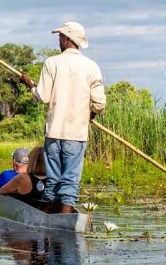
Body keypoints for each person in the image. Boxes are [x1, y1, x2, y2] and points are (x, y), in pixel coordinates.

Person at [19, 21, 105, 214]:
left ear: (67, 39)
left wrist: (29, 85)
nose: (58, 40)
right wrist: (88, 115)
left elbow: (42, 96)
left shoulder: (52, 63)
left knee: (54, 179)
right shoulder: (92, 67)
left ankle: (51, 217)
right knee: (70, 180)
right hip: (76, 134)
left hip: (54, 133)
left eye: (60, 37)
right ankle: (63, 217)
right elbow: (99, 104)